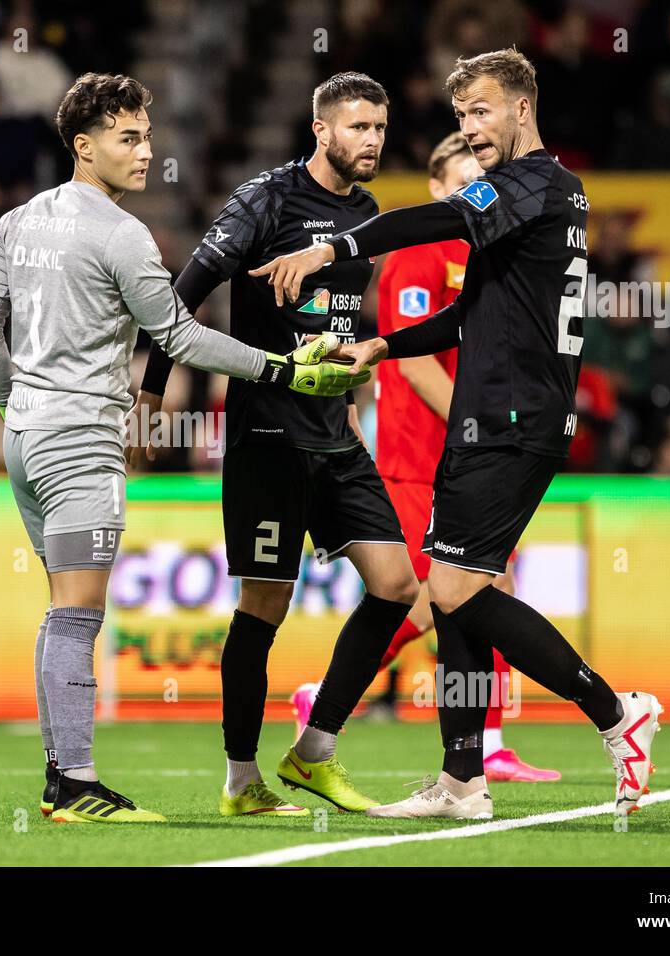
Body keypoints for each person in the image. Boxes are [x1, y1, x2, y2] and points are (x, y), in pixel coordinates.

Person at [251, 48, 662, 820]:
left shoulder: (530, 183)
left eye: (481, 111)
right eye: (461, 116)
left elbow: (432, 217)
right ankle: (463, 781)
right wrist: (385, 345)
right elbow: (473, 313)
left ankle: (615, 712)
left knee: (456, 587)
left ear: (521, 108)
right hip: (498, 413)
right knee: (452, 591)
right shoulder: (551, 194)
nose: (470, 128)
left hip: (510, 417)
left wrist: (333, 246)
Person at [0, 72, 364, 825]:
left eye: (147, 136)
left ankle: (63, 778)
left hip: (23, 440)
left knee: (61, 612)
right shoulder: (120, 234)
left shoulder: (18, 221)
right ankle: (75, 785)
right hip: (81, 443)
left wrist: (7, 402)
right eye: (128, 138)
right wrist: (279, 366)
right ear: (84, 147)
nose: (146, 152)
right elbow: (178, 334)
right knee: (79, 615)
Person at [132, 72, 419, 818]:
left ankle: (314, 750)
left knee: (396, 585)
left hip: (334, 433)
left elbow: (345, 323)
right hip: (266, 434)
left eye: (380, 128)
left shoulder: (367, 216)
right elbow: (183, 295)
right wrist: (153, 391)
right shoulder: (267, 198)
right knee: (265, 604)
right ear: (321, 130)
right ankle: (239, 781)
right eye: (358, 127)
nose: (372, 141)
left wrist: (356, 401)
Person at [294, 131, 560, 783]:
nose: (478, 192)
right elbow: (411, 365)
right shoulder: (420, 257)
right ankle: (330, 699)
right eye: (464, 181)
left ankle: (483, 737)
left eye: (484, 181)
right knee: (455, 590)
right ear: (440, 190)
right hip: (421, 458)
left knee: (473, 587)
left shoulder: (490, 256)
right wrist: (477, 425)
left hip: (471, 458)